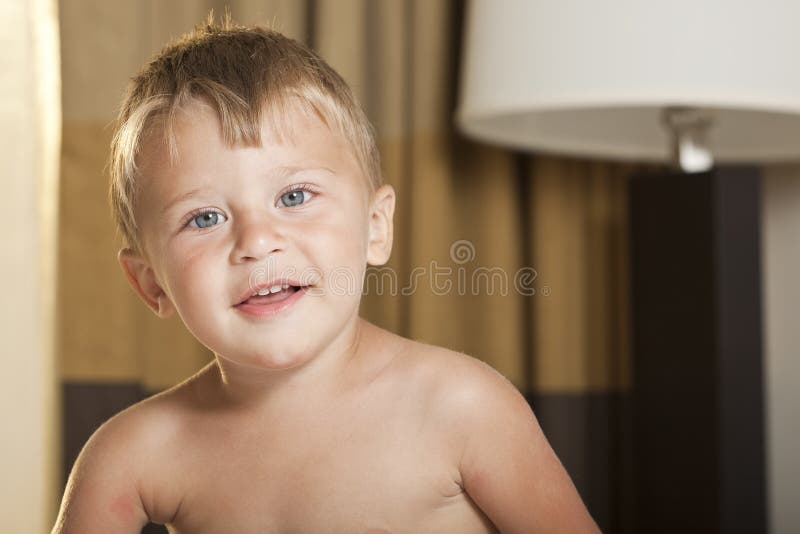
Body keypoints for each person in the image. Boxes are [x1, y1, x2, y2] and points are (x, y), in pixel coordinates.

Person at [52, 16, 600, 534]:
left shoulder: (460, 407)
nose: (258, 240)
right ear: (150, 283)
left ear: (376, 227)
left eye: (293, 196)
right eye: (205, 218)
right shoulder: (132, 455)